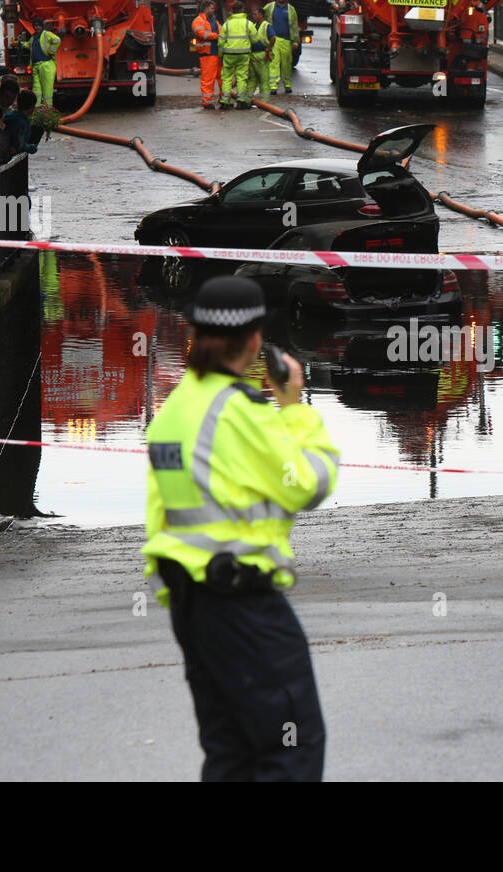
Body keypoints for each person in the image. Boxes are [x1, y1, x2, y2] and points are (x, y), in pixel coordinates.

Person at [143, 275, 339, 781]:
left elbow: (161, 517)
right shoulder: (239, 412)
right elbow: (311, 483)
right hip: (243, 603)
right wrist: (293, 406)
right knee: (291, 745)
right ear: (255, 340)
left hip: (192, 606)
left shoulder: (173, 413)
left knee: (230, 752)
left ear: (197, 334)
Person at [219, 0, 262, 108]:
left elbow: (220, 42)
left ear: (232, 11)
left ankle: (224, 102)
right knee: (242, 77)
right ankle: (241, 101)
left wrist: (220, 55)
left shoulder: (227, 24)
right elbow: (255, 40)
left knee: (227, 78)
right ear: (242, 10)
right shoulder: (248, 23)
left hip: (228, 54)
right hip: (243, 54)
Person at [263, 0, 299, 95]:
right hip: (274, 40)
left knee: (286, 64)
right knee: (273, 64)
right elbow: (260, 15)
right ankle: (273, 87)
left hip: (286, 41)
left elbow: (294, 26)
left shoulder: (291, 10)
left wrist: (295, 41)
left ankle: (287, 85)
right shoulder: (269, 7)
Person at [191, 0, 222, 109]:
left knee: (222, 78)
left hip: (217, 54)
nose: (214, 10)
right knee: (208, 79)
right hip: (207, 55)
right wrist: (217, 36)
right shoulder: (198, 21)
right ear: (206, 8)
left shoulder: (214, 20)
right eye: (212, 8)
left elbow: (221, 31)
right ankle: (207, 102)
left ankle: (224, 100)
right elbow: (202, 34)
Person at [27, 21, 61, 106]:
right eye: (35, 26)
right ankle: (36, 109)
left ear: (42, 26)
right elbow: (29, 45)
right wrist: (20, 43)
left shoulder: (46, 34)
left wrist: (51, 51)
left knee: (47, 90)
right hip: (36, 66)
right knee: (36, 90)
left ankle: (47, 110)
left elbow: (57, 40)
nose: (37, 27)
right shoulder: (33, 37)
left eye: (38, 26)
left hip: (46, 65)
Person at [248, 6, 275, 101]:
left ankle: (264, 101)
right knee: (252, 79)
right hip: (254, 55)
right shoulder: (254, 25)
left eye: (255, 14)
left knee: (263, 79)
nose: (253, 16)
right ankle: (248, 99)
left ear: (261, 15)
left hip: (262, 55)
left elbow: (273, 37)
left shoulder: (266, 26)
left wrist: (268, 48)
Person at [3, 89, 39, 155]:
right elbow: (19, 144)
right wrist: (32, 148)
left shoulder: (11, 115)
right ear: (31, 107)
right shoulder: (21, 122)